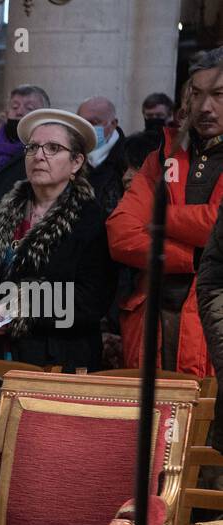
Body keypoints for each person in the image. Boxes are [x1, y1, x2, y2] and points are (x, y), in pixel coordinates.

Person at [109, 49, 223, 375]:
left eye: (218, 95)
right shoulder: (161, 157)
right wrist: (195, 256)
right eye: (197, 94)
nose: (205, 106)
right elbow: (120, 234)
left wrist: (158, 218)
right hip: (154, 324)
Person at [0, 109, 114, 371]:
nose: (39, 156)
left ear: (75, 162)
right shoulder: (3, 209)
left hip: (57, 357)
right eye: (32, 148)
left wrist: (15, 306)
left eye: (53, 148)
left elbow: (89, 302)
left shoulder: (90, 219)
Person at [0, 85, 50, 205]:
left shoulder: (45, 156)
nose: (19, 112)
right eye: (15, 107)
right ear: (6, 112)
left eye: (29, 108)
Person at [76, 95, 127, 215]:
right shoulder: (69, 155)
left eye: (94, 122)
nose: (87, 128)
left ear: (113, 124)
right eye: (82, 123)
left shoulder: (128, 158)